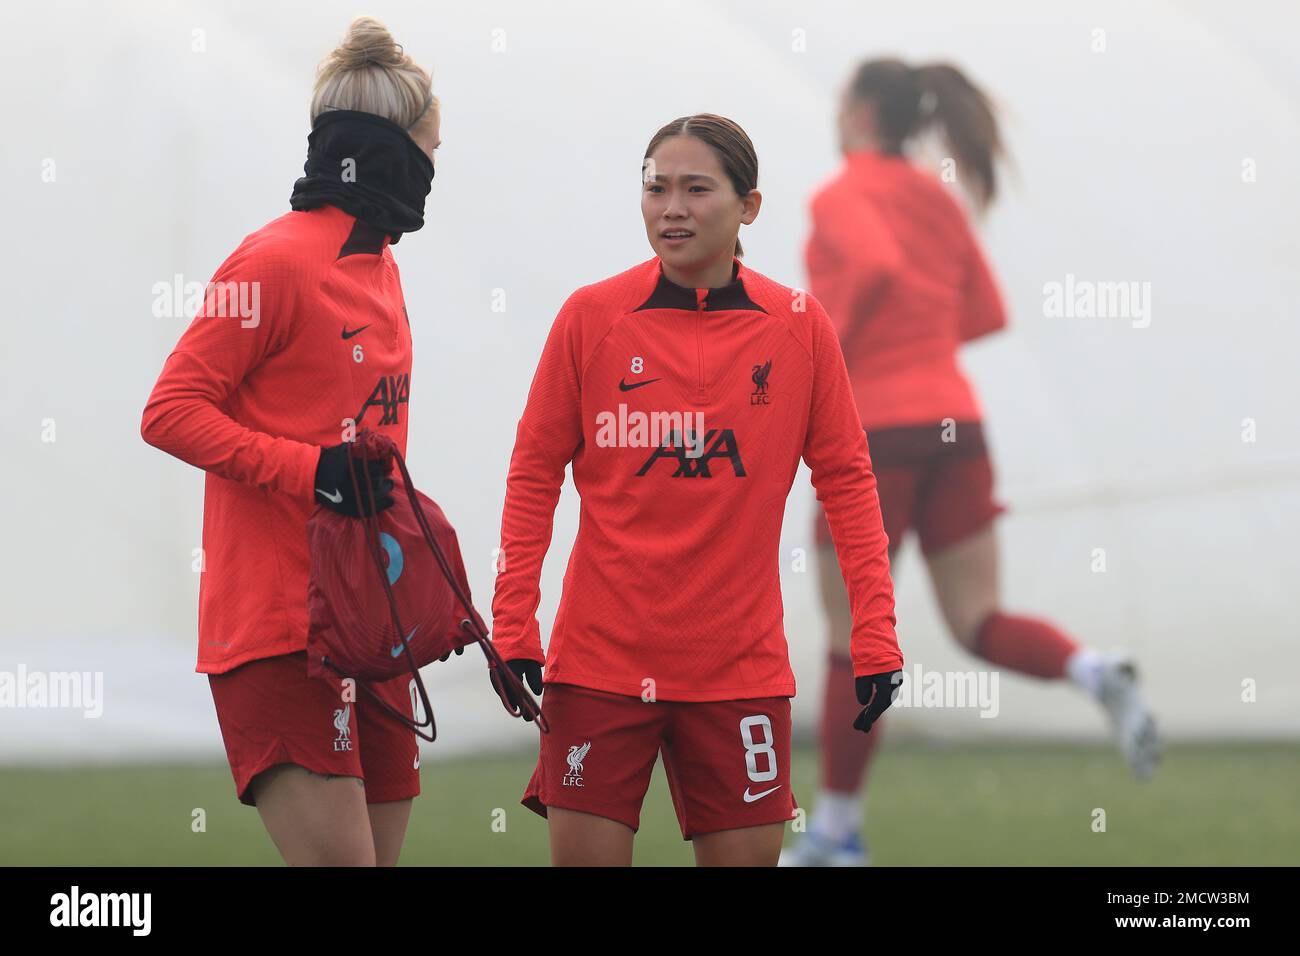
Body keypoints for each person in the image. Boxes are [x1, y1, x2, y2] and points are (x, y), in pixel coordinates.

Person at [489, 113, 904, 867]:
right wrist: (515, 625)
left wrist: (874, 635)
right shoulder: (590, 318)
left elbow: (847, 483)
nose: (670, 208)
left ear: (749, 207)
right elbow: (533, 472)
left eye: (695, 189)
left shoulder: (801, 329)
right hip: (597, 671)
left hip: (738, 675)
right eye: (655, 188)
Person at [780, 59, 1161, 868]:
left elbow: (876, 265)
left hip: (876, 437)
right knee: (977, 621)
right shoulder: (937, 197)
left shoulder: (842, 192)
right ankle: (1092, 670)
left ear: (857, 111)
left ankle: (838, 836)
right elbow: (986, 312)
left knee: (851, 641)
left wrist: (819, 357)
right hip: (957, 426)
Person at [140, 17, 441, 866]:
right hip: (277, 628)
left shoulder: (382, 267)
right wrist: (314, 472)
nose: (436, 171)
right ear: (394, 151)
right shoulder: (273, 261)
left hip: (366, 623)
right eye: (431, 148)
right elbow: (169, 410)